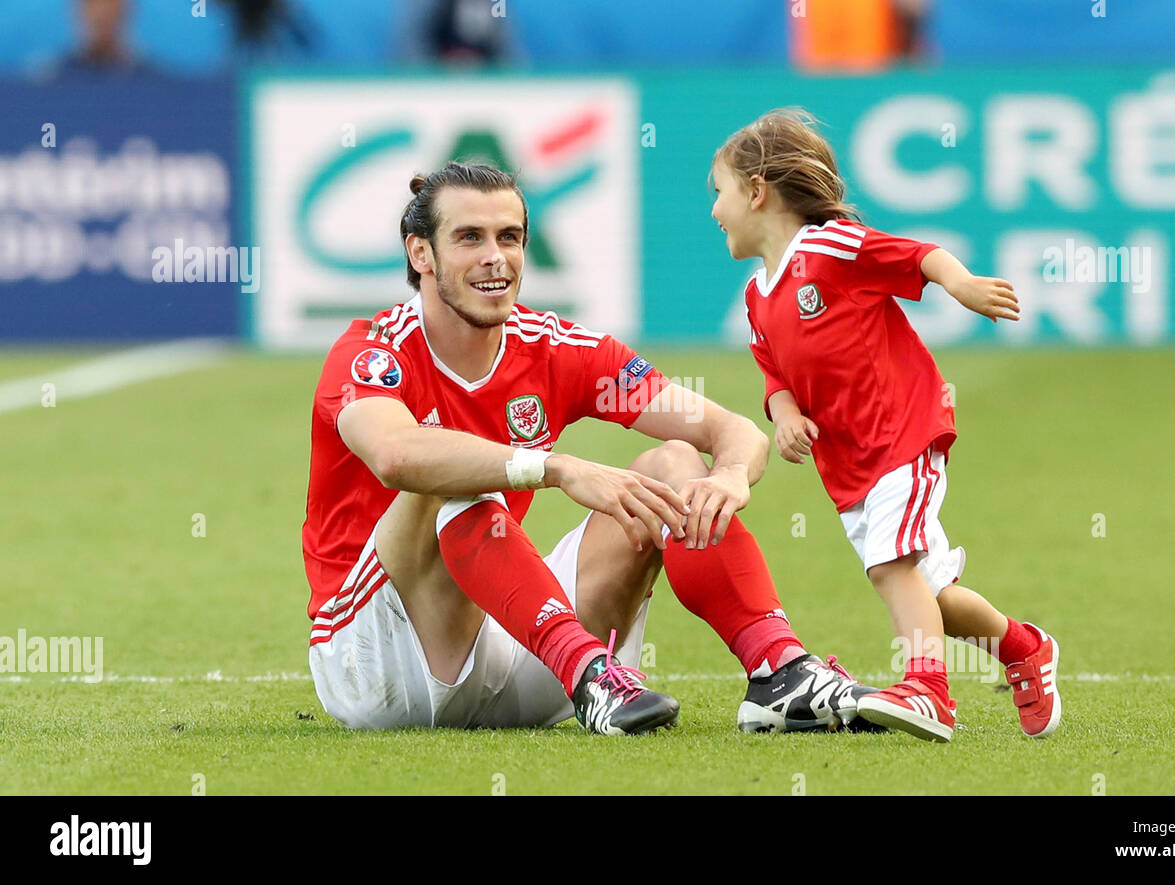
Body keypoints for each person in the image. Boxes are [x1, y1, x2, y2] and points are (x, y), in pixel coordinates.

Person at [302, 160, 879, 737]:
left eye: (510, 237)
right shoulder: (371, 352)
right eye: (468, 238)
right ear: (420, 254)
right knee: (459, 481)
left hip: (514, 644)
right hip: (374, 662)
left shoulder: (555, 348)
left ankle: (777, 672)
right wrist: (555, 468)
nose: (494, 257)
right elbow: (396, 456)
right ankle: (588, 672)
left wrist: (728, 475)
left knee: (675, 463)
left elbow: (733, 431)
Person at [709, 109, 1061, 742]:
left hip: (902, 434)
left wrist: (963, 286)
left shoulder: (828, 249)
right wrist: (785, 416)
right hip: (849, 469)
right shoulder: (756, 298)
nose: (715, 210)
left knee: (891, 567)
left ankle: (927, 690)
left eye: (720, 192)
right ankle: (1024, 650)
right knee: (932, 592)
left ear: (757, 191)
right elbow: (776, 376)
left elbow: (919, 255)